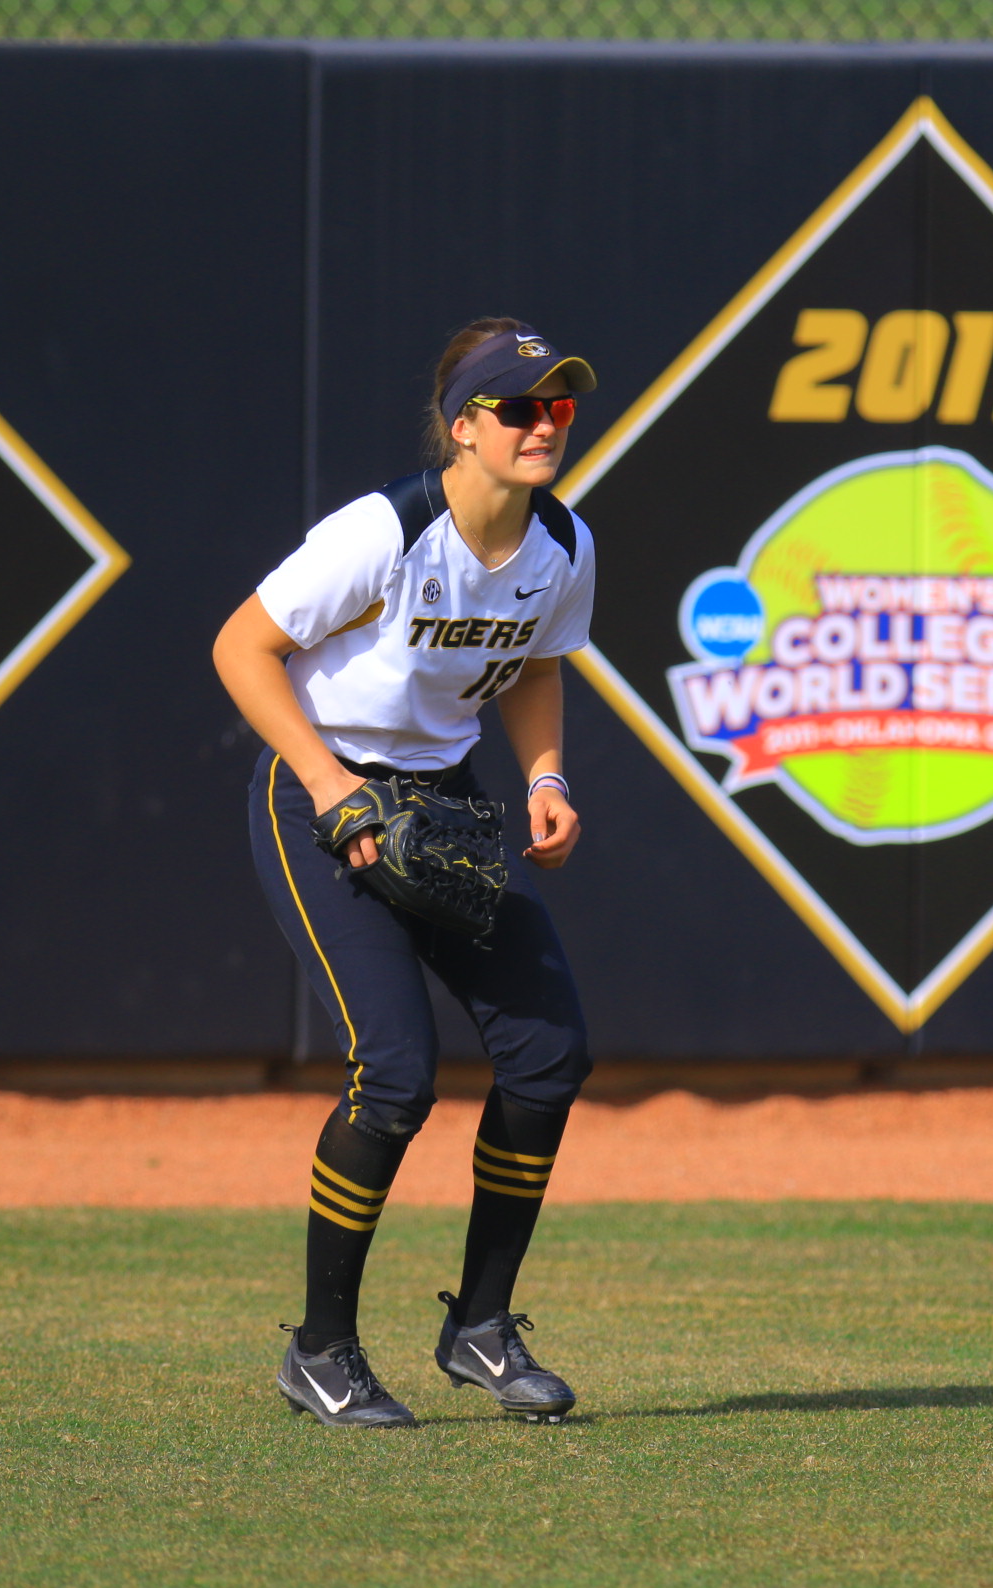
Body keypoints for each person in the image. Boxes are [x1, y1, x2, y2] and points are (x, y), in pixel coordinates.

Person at [211, 320, 599, 1428]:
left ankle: (480, 1328)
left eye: (557, 407)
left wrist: (547, 779)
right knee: (396, 1076)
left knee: (549, 1055)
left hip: (448, 800)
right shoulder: (384, 532)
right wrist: (330, 785)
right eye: (518, 407)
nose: (542, 426)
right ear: (465, 426)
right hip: (320, 798)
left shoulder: (563, 545)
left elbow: (532, 667)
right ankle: (320, 1351)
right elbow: (243, 648)